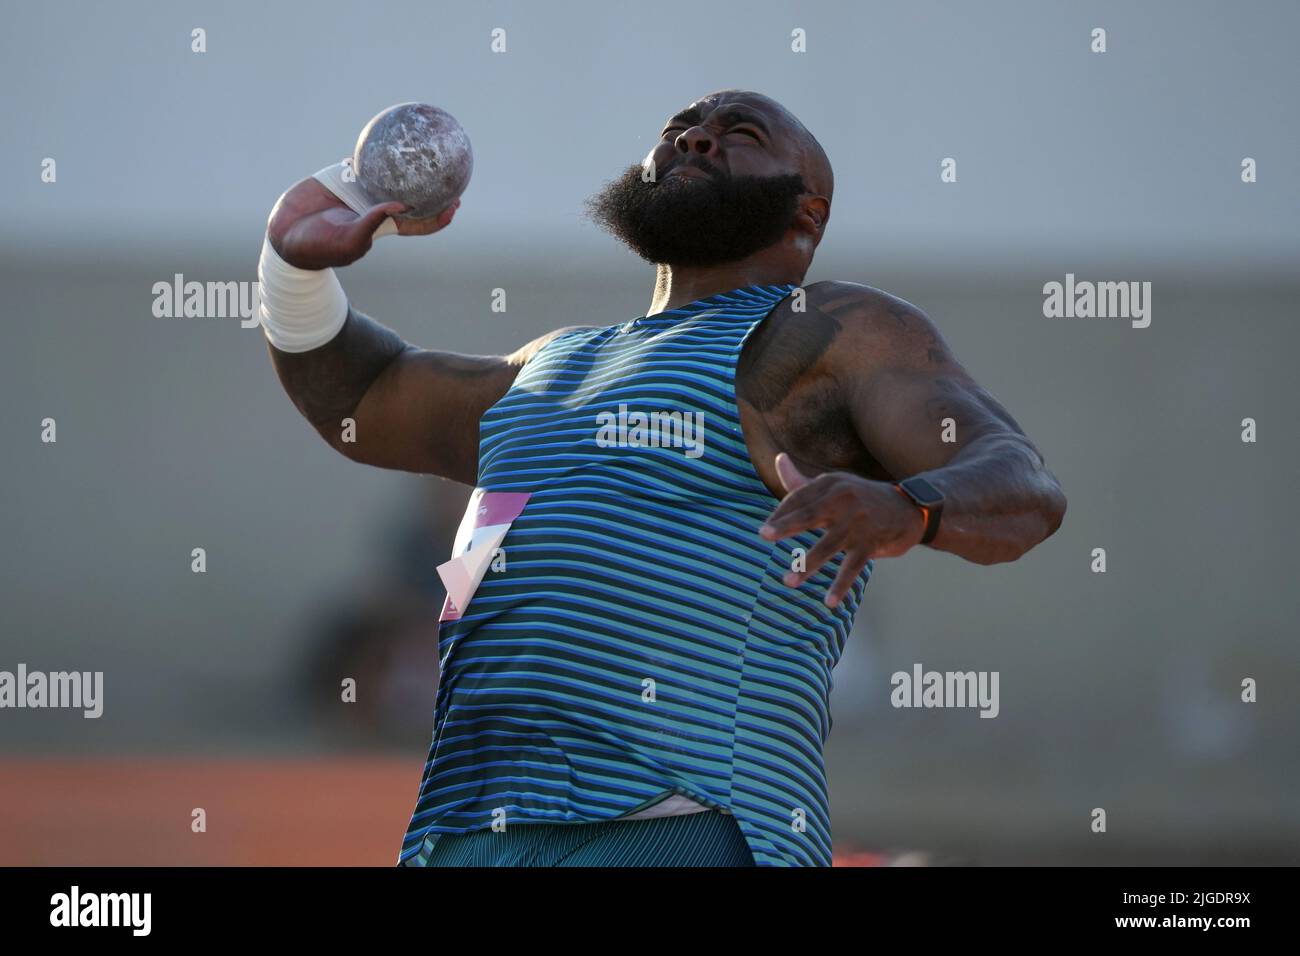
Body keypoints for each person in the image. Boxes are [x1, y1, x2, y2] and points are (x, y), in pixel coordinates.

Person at [256, 89, 1067, 867]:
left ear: (806, 214)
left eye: (740, 133)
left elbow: (1020, 483)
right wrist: (292, 272)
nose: (696, 136)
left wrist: (910, 507)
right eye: (681, 126)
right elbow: (362, 397)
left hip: (680, 826)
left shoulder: (821, 332)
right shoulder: (552, 365)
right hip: (469, 830)